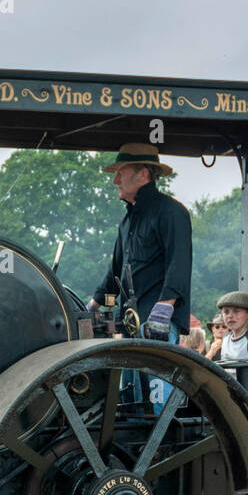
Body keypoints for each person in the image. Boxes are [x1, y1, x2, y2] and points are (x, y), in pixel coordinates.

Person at [89, 143, 192, 344]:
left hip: (159, 321)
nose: (114, 180)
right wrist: (93, 304)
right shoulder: (127, 222)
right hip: (130, 322)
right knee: (129, 377)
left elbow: (178, 263)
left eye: (120, 173)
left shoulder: (172, 212)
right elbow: (115, 272)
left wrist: (165, 306)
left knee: (156, 377)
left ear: (143, 174)